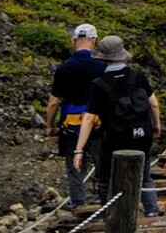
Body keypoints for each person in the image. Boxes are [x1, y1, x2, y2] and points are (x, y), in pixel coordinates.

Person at [73, 35, 162, 217]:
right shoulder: (138, 76)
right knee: (145, 176)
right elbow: (153, 103)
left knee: (105, 179)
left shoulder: (99, 84)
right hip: (141, 135)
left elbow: (89, 118)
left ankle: (111, 215)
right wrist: (156, 125)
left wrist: (79, 149)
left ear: (104, 58)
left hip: (114, 139)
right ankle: (152, 210)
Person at [44, 23, 104, 208]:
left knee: (74, 167)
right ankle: (106, 203)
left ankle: (79, 205)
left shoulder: (63, 68)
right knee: (102, 166)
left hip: (70, 125)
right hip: (97, 124)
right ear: (94, 41)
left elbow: (54, 102)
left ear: (74, 41)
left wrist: (49, 126)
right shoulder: (101, 67)